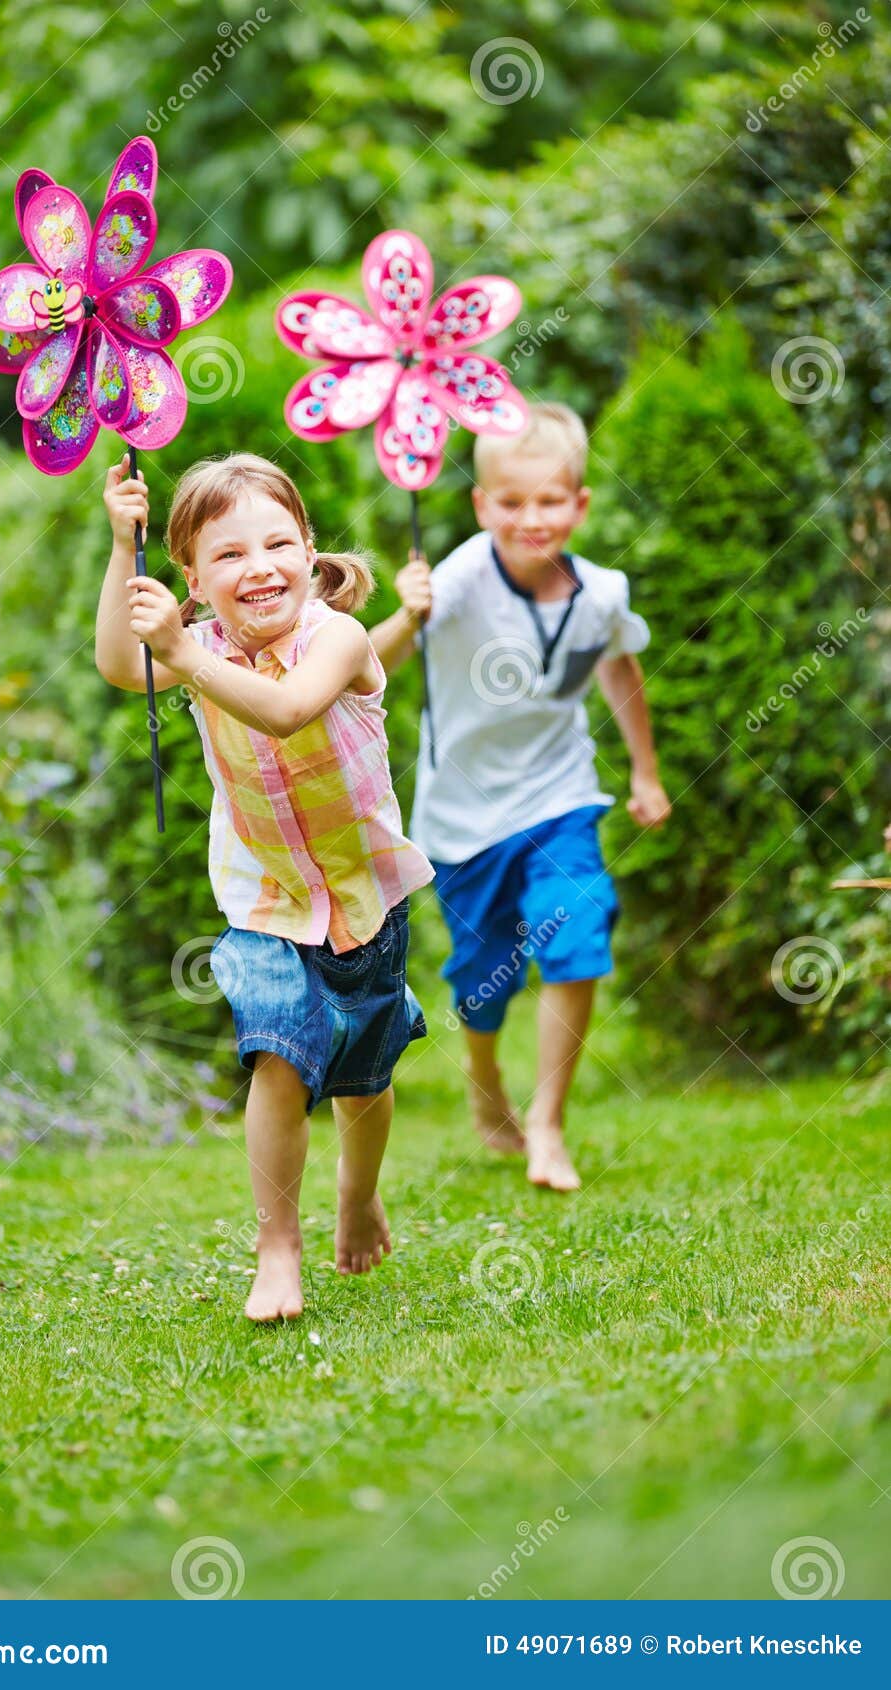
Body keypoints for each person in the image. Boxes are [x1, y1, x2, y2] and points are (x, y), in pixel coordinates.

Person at [96, 451, 433, 1321]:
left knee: (363, 1075)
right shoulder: (199, 644)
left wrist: (180, 651)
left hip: (363, 895)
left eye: (278, 544)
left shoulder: (338, 639)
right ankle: (276, 1246)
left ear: (309, 549)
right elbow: (120, 665)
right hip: (264, 895)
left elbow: (286, 712)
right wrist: (121, 546)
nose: (260, 567)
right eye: (229, 554)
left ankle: (357, 1193)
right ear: (192, 579)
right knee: (277, 1056)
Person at [371, 403, 671, 1192]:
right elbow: (370, 666)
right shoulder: (458, 579)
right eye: (510, 501)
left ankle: (547, 1122)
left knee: (577, 922)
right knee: (482, 977)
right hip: (462, 818)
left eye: (548, 500)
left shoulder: (601, 592)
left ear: (579, 504)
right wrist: (407, 613)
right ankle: (484, 1079)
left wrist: (644, 771)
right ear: (481, 505)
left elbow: (617, 667)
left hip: (558, 795)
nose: (530, 518)